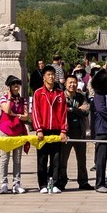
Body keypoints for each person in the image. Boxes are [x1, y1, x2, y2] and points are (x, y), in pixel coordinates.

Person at [31, 65, 68, 193]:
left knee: (56, 159)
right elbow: (35, 112)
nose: (51, 77)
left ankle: (54, 184)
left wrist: (63, 131)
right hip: (43, 130)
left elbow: (64, 113)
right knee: (42, 159)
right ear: (44, 78)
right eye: (48, 75)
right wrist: (38, 129)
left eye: (53, 74)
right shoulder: (38, 93)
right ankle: (42, 185)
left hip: (56, 130)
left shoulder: (60, 94)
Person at [0, 75, 30, 194]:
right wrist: (10, 98)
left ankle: (17, 183)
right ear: (9, 86)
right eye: (13, 84)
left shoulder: (23, 100)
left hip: (18, 130)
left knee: (17, 159)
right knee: (4, 158)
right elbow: (6, 110)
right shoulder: (4, 98)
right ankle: (3, 183)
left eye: (17, 83)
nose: (16, 86)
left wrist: (17, 115)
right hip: (6, 130)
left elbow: (26, 115)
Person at [58, 74, 92, 191]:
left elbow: (86, 109)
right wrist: (77, 110)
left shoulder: (81, 96)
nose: (72, 85)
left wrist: (72, 110)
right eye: (70, 82)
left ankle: (83, 181)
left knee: (82, 159)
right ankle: (62, 181)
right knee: (63, 159)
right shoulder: (61, 96)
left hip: (79, 130)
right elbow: (61, 112)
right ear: (65, 84)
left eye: (74, 82)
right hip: (66, 131)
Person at [90, 70, 107, 193]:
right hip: (103, 130)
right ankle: (99, 183)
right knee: (101, 158)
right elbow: (102, 110)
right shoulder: (99, 94)